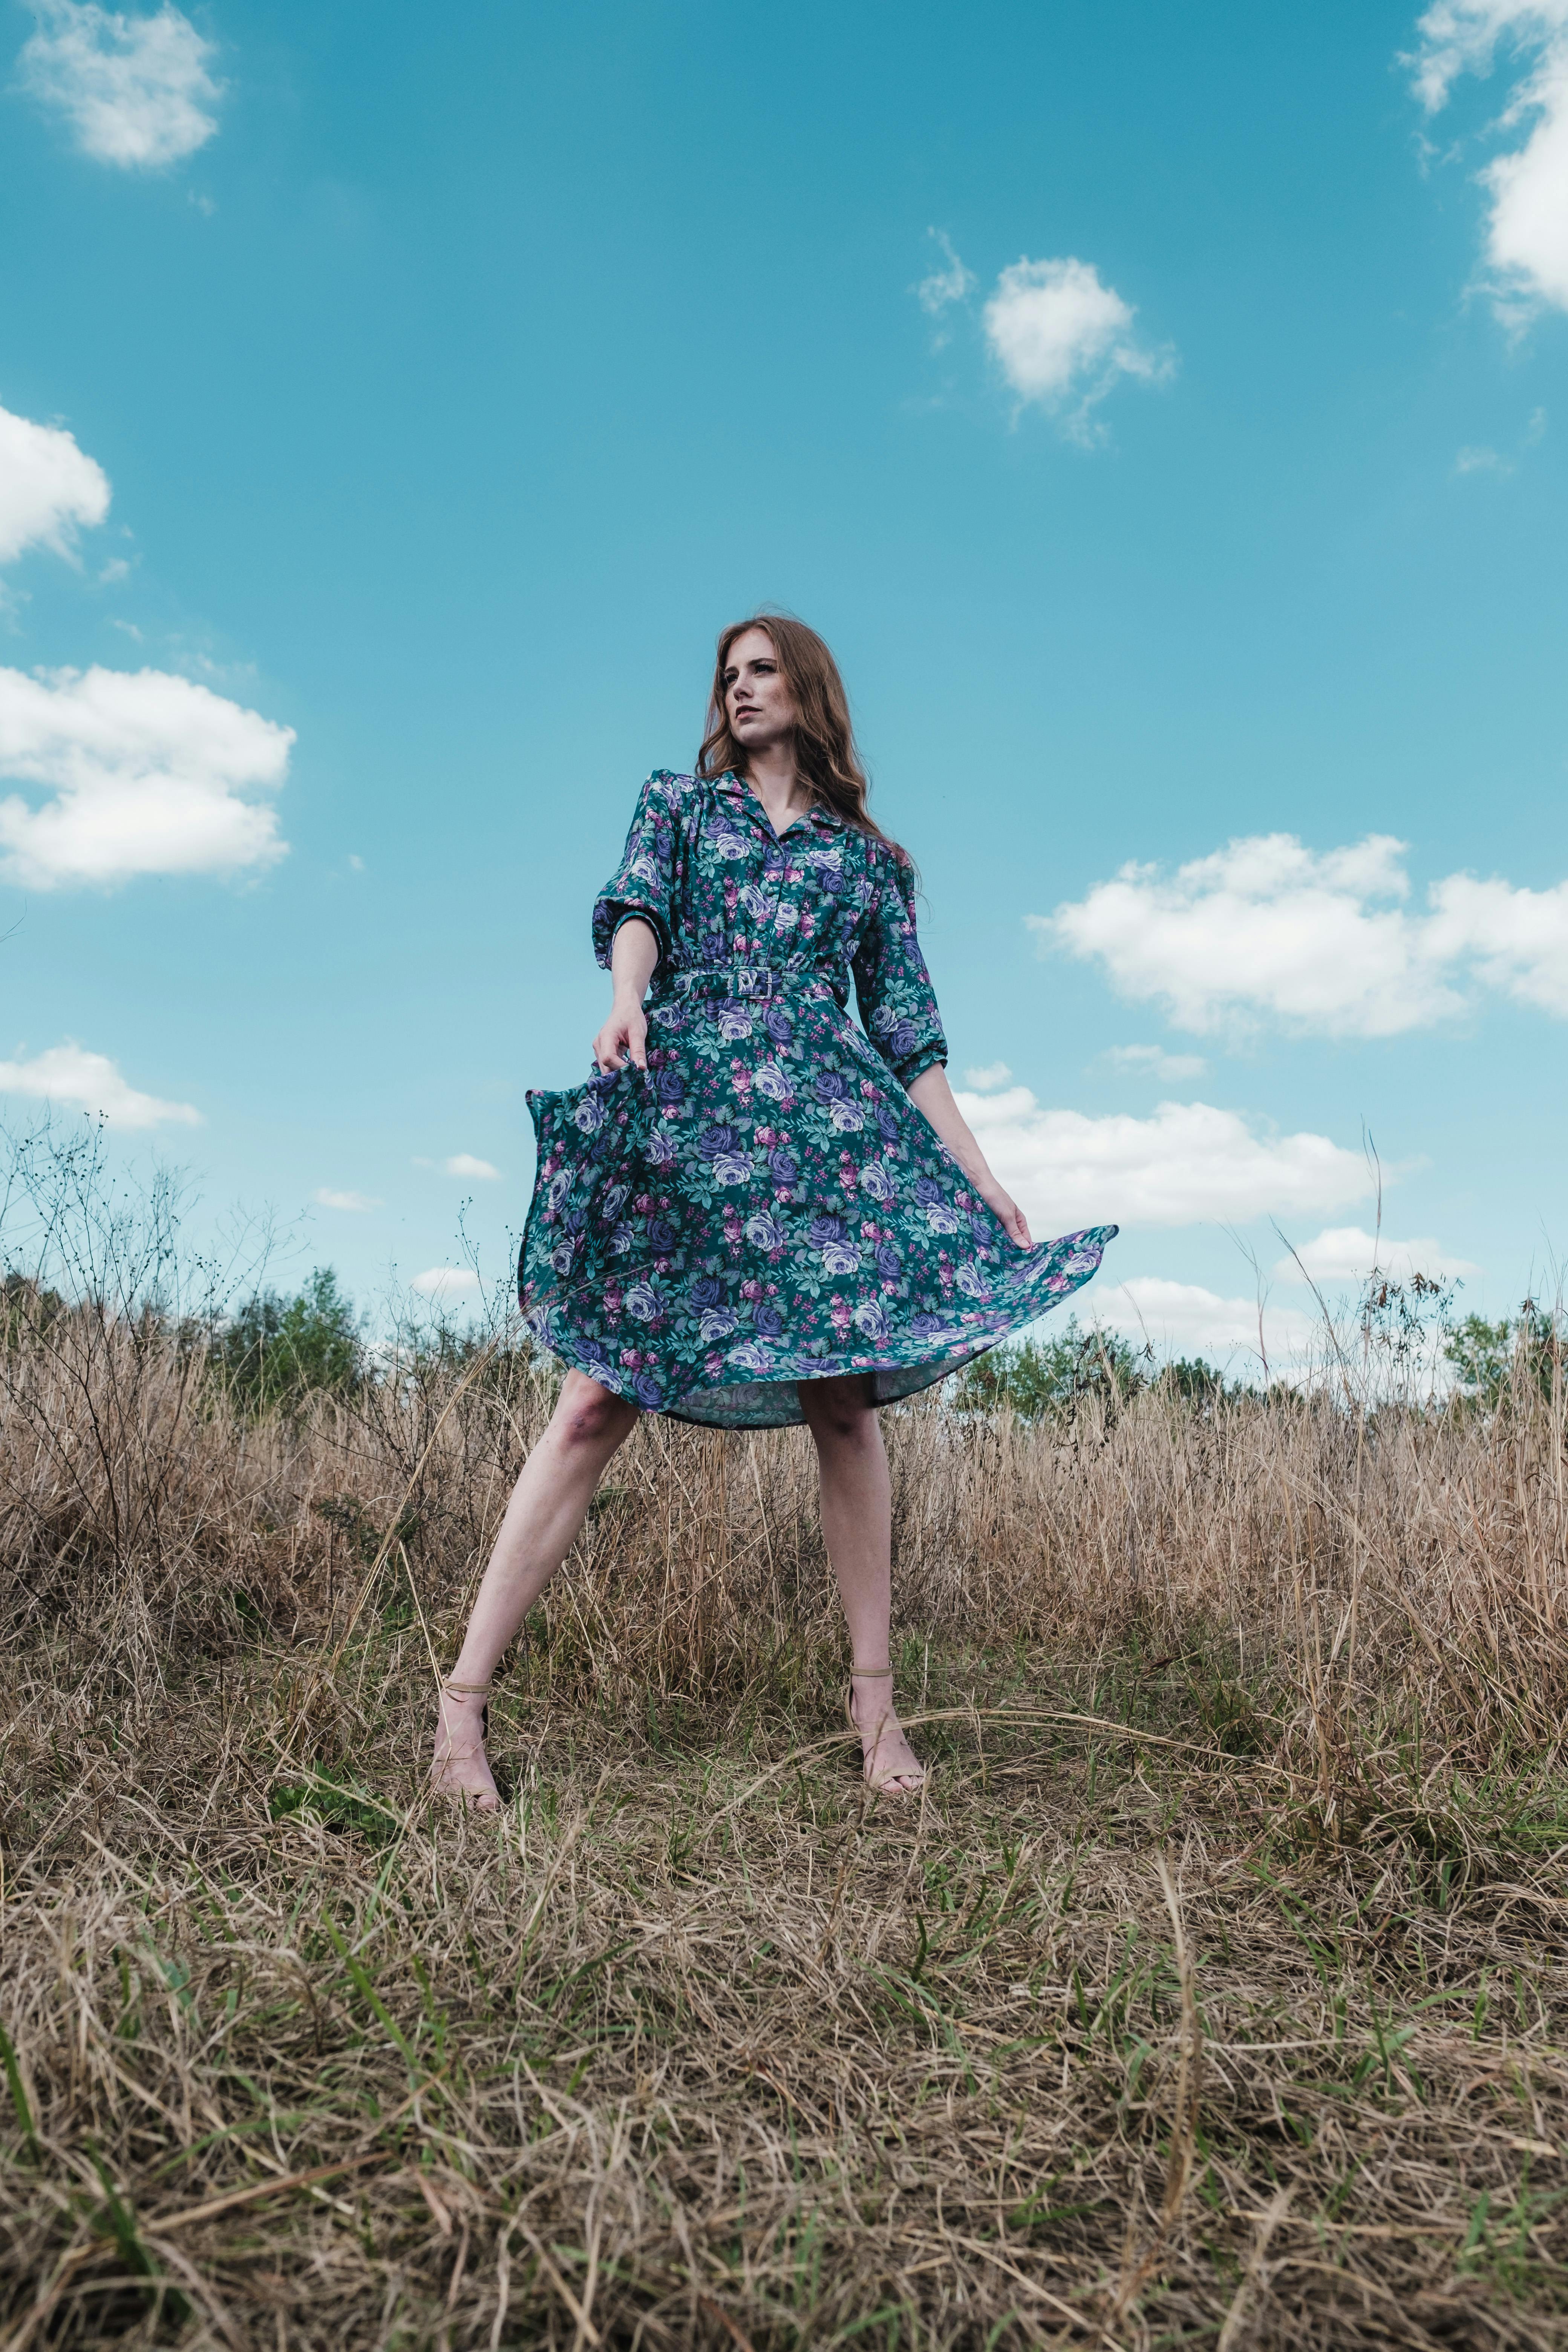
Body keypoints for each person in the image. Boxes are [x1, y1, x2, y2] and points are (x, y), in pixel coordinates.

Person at [432, 616, 1116, 1808]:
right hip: (692, 1107)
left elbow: (910, 1035)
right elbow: (637, 909)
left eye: (762, 671)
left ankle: (878, 1715)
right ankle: (459, 1717)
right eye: (728, 676)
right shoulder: (682, 809)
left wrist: (983, 1175)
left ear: (810, 687)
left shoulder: (867, 862)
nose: (741, 690)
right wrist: (627, 1002)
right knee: (596, 1401)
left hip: (824, 1142)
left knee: (846, 1411)